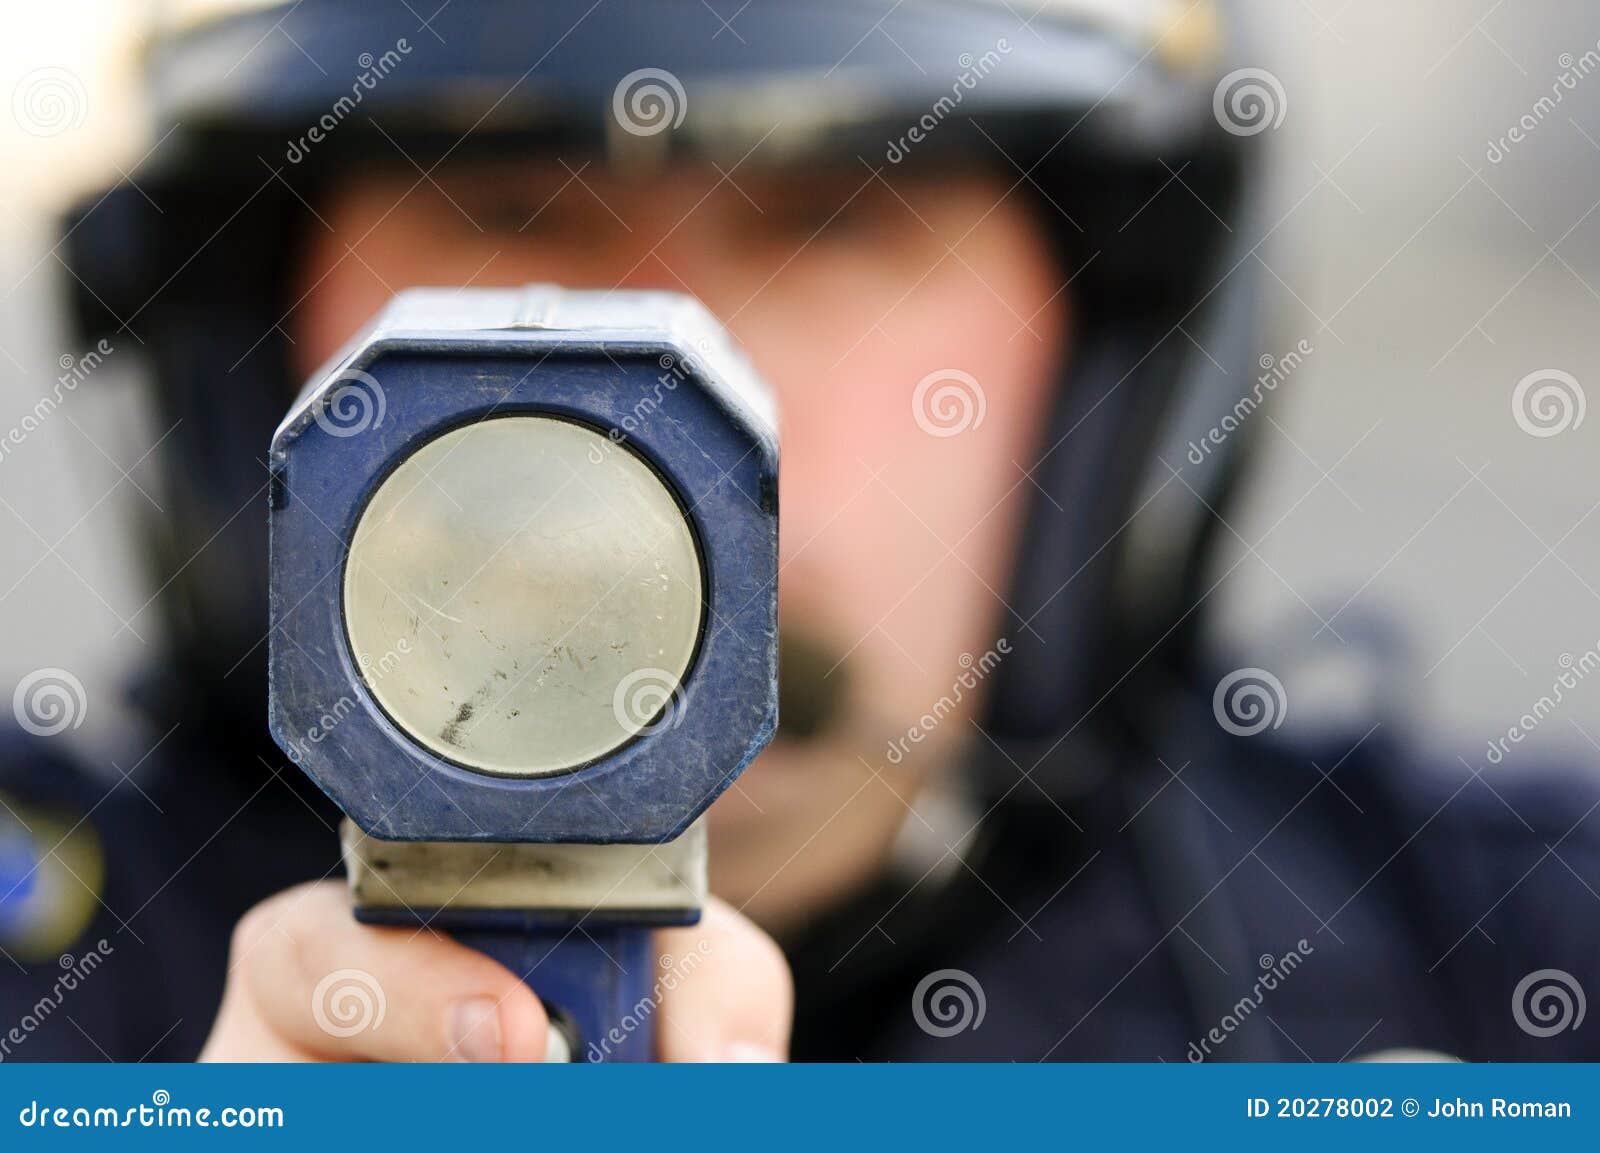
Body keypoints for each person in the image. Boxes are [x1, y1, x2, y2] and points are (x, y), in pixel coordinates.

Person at [3, 0, 1597, 1062]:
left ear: (1109, 350)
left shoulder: (1515, 967)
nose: (660, 388)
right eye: (509, 216)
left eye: (834, 220)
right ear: (243, 349)